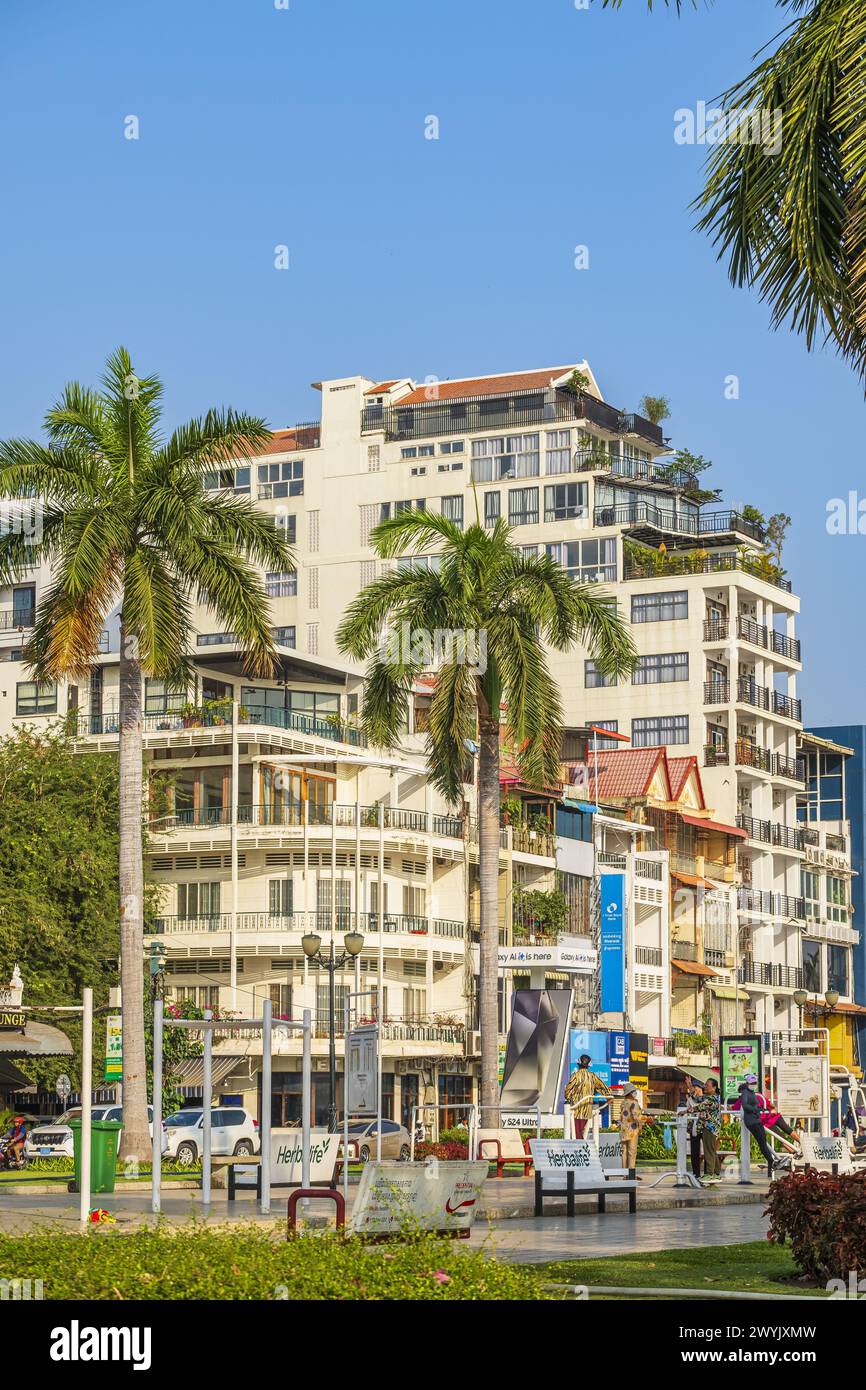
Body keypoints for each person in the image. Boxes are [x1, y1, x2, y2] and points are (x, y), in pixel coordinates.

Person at [564, 1053, 612, 1139]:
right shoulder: (592, 1076)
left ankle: (581, 1148)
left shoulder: (575, 1075)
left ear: (578, 1064)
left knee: (577, 1133)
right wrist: (608, 1096)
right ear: (589, 1065)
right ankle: (582, 1148)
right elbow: (603, 1086)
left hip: (576, 1109)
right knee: (581, 1132)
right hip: (588, 1110)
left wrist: (568, 1099)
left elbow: (568, 1090)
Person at [735, 1081, 775, 1177]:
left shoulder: (751, 1095)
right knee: (762, 1143)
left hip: (757, 1121)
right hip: (753, 1122)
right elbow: (744, 1107)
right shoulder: (749, 1095)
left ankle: (771, 1163)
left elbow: (736, 1107)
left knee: (763, 1143)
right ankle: (771, 1162)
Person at [694, 1076, 722, 1181]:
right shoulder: (708, 1097)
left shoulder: (712, 1099)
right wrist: (692, 1089)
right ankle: (717, 1173)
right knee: (712, 1150)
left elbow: (699, 1107)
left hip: (710, 1127)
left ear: (714, 1088)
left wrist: (684, 1111)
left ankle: (710, 1173)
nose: (704, 1087)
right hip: (709, 1127)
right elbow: (698, 1099)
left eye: (707, 1085)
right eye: (705, 1085)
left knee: (708, 1150)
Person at [618, 1082, 644, 1177]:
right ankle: (631, 1174)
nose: (635, 1093)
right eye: (634, 1091)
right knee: (632, 1153)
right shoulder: (634, 1103)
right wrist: (649, 1119)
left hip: (623, 1130)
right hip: (632, 1131)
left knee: (624, 1152)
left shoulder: (623, 1103)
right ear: (630, 1093)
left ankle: (624, 1174)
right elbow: (637, 1116)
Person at [684, 1079, 704, 1179]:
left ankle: (707, 1173)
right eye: (693, 1087)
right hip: (694, 1127)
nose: (694, 1089)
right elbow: (687, 1109)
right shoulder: (690, 1099)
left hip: (704, 1126)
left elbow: (698, 1106)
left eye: (696, 1087)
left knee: (706, 1152)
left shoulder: (706, 1098)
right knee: (694, 1151)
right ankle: (696, 1173)